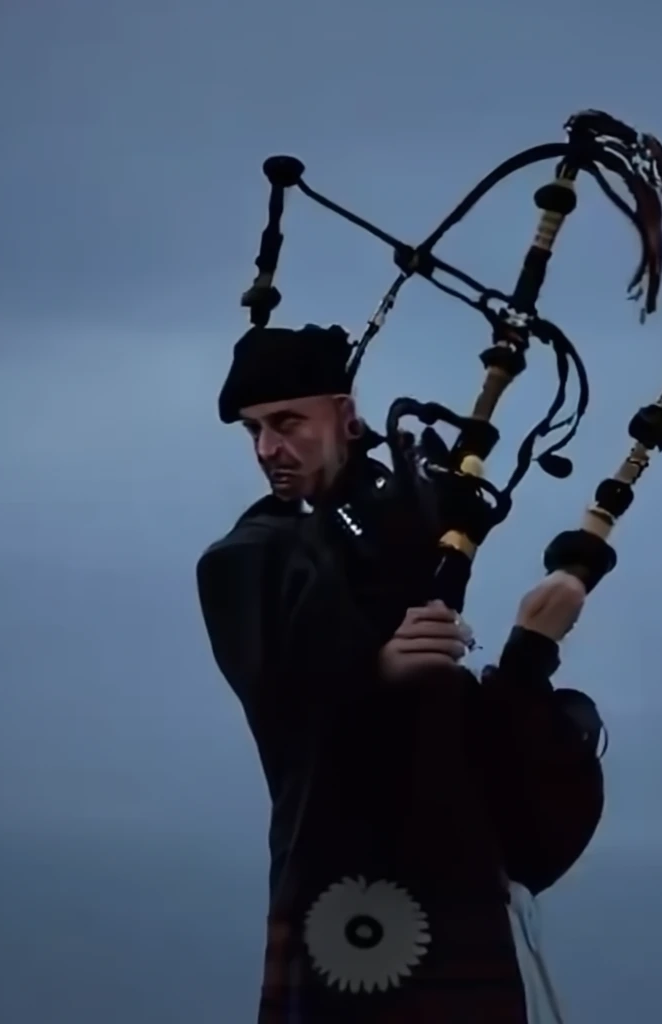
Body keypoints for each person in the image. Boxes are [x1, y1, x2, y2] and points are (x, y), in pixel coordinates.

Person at [197, 323, 605, 1023]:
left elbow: (496, 793)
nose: (268, 449)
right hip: (337, 910)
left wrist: (532, 650)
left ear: (346, 416)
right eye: (253, 430)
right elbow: (287, 694)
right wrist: (375, 664)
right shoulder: (255, 555)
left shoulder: (385, 529)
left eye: (287, 422)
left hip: (456, 913)